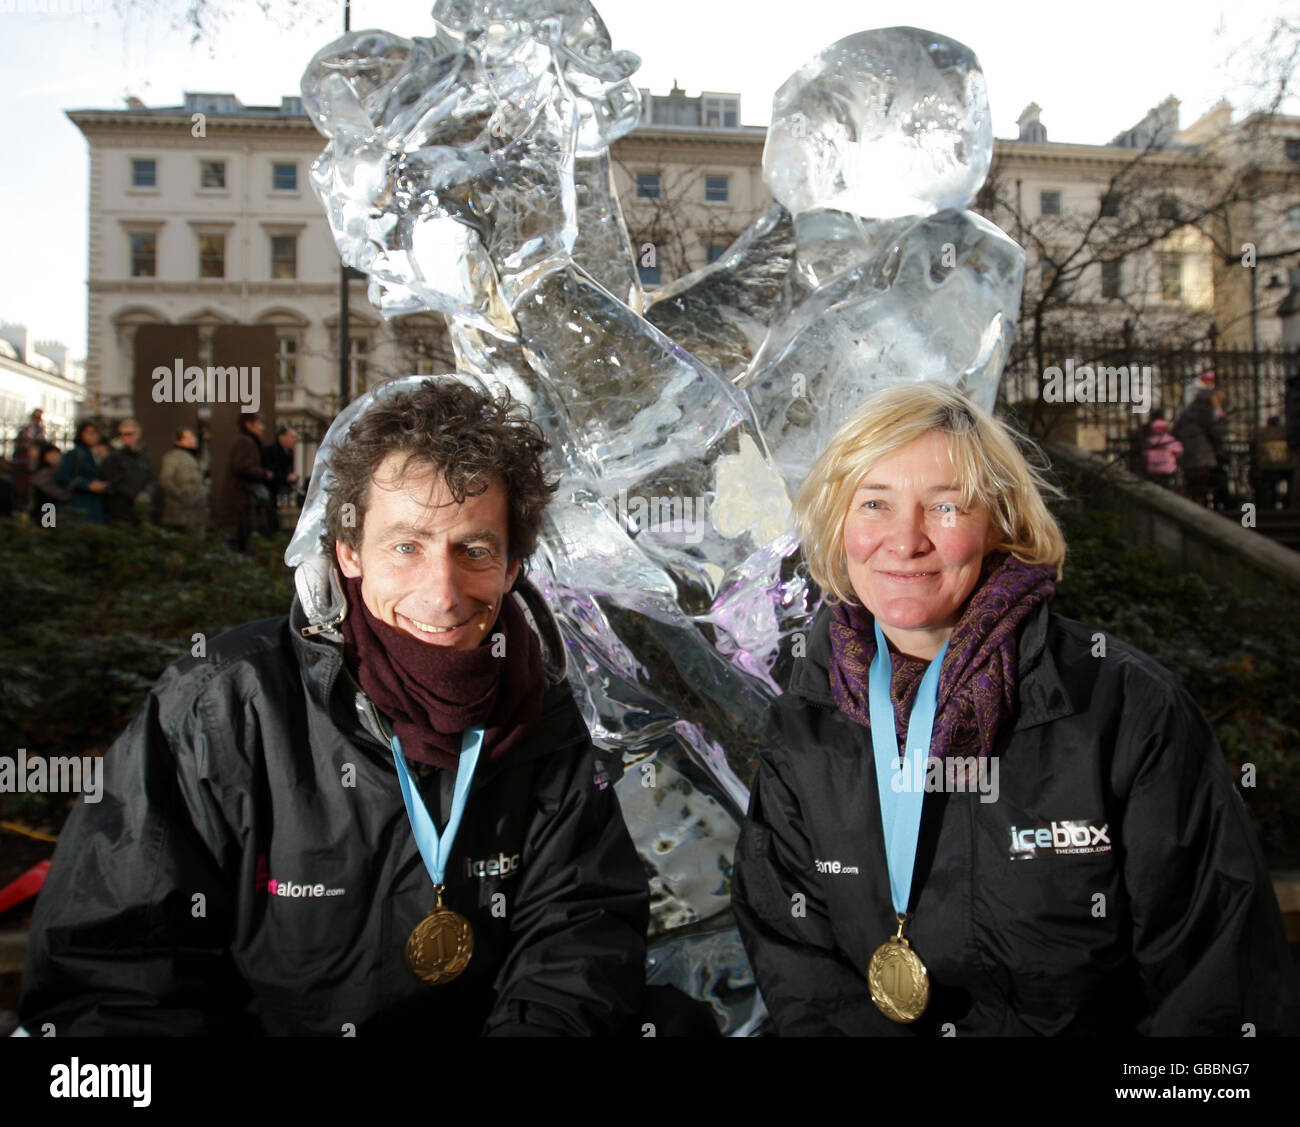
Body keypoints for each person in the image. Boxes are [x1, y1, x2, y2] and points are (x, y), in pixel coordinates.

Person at [20, 377, 650, 1036]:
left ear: (512, 565)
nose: (442, 592)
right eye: (406, 546)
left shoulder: (547, 712)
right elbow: (113, 976)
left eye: (474, 549)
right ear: (348, 552)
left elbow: (580, 935)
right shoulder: (223, 707)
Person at [731, 382, 1298, 1036]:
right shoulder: (806, 720)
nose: (905, 540)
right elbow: (802, 974)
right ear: (838, 523)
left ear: (999, 522)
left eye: (945, 506)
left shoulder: (1124, 708)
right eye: (875, 503)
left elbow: (1217, 993)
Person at [215, 412, 273, 552]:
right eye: (259, 424)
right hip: (242, 502)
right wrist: (264, 473)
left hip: (244, 502)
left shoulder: (248, 441)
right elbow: (242, 467)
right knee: (242, 541)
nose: (262, 428)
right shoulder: (245, 442)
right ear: (249, 425)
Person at [1173, 383, 1225, 508]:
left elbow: (1175, 432)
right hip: (1203, 456)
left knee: (1191, 487)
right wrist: (1222, 424)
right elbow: (1215, 432)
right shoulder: (1207, 412)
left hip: (1187, 455)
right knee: (1201, 489)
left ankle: (1190, 509)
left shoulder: (1186, 412)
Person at [101, 418, 154, 526]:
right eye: (122, 434)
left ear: (138, 435)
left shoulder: (143, 457)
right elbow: (112, 481)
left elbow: (151, 479)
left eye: (129, 434)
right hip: (119, 509)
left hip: (140, 509)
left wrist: (146, 493)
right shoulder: (113, 457)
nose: (124, 437)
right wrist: (133, 495)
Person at [54, 420, 109, 524]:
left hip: (95, 505)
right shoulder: (75, 454)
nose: (94, 436)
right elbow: (62, 477)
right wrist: (87, 485)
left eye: (96, 433)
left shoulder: (96, 454)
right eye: (90, 433)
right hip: (78, 504)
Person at [158, 427, 207, 531]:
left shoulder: (195, 457)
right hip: (180, 512)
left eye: (192, 437)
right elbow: (165, 480)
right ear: (178, 441)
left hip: (197, 512)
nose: (192, 440)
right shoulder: (173, 457)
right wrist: (181, 496)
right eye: (187, 438)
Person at [262, 423, 302, 532]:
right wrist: (286, 477)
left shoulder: (288, 453)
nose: (295, 440)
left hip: (275, 491)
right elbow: (270, 473)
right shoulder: (271, 451)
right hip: (268, 489)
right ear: (281, 437)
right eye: (292, 437)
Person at [11, 407, 45, 512]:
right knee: (21, 486)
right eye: (36, 417)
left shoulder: (40, 430)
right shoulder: (26, 430)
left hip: (35, 465)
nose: (37, 419)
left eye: (39, 417)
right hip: (23, 463)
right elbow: (20, 445)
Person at [29, 441, 72, 520]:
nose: (54, 457)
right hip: (47, 511)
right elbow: (55, 493)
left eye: (56, 454)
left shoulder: (63, 471)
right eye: (50, 455)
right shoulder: (42, 474)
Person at [1142, 413, 1183, 490]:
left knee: (1156, 487)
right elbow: (1179, 450)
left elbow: (1145, 454)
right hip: (1168, 468)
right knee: (1168, 486)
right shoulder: (1169, 439)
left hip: (1153, 469)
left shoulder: (1149, 441)